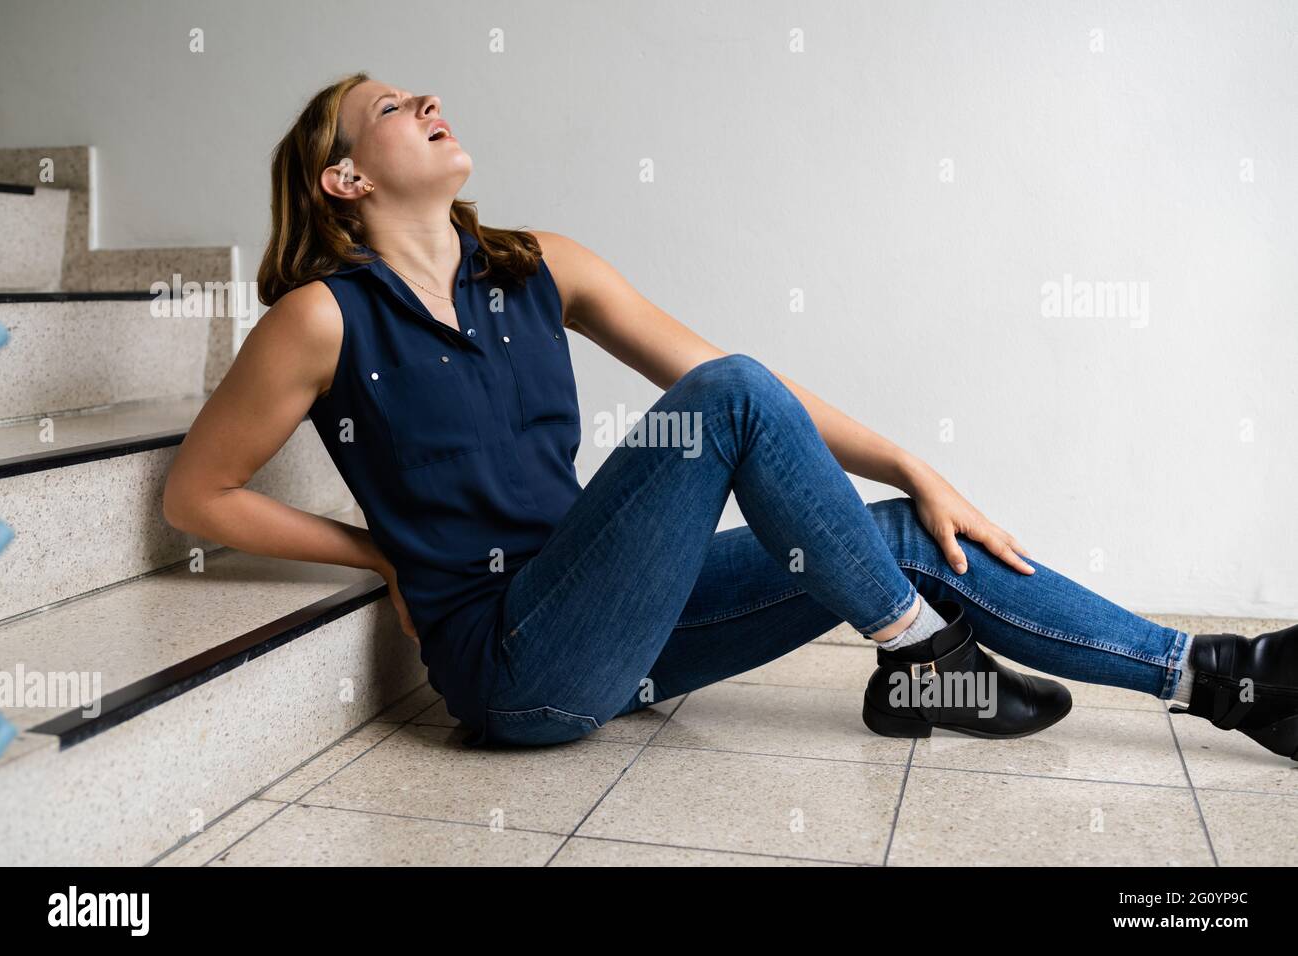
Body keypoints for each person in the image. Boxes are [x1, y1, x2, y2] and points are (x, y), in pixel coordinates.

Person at [162, 72, 1298, 759]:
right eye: (391, 109)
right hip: (513, 669)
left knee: (904, 528)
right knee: (733, 395)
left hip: (617, 626)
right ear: (345, 180)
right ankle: (913, 652)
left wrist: (914, 461)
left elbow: (748, 392)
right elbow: (196, 495)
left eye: (424, 93)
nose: (428, 104)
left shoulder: (538, 266)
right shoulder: (322, 318)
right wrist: (385, 556)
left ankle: (1219, 674)